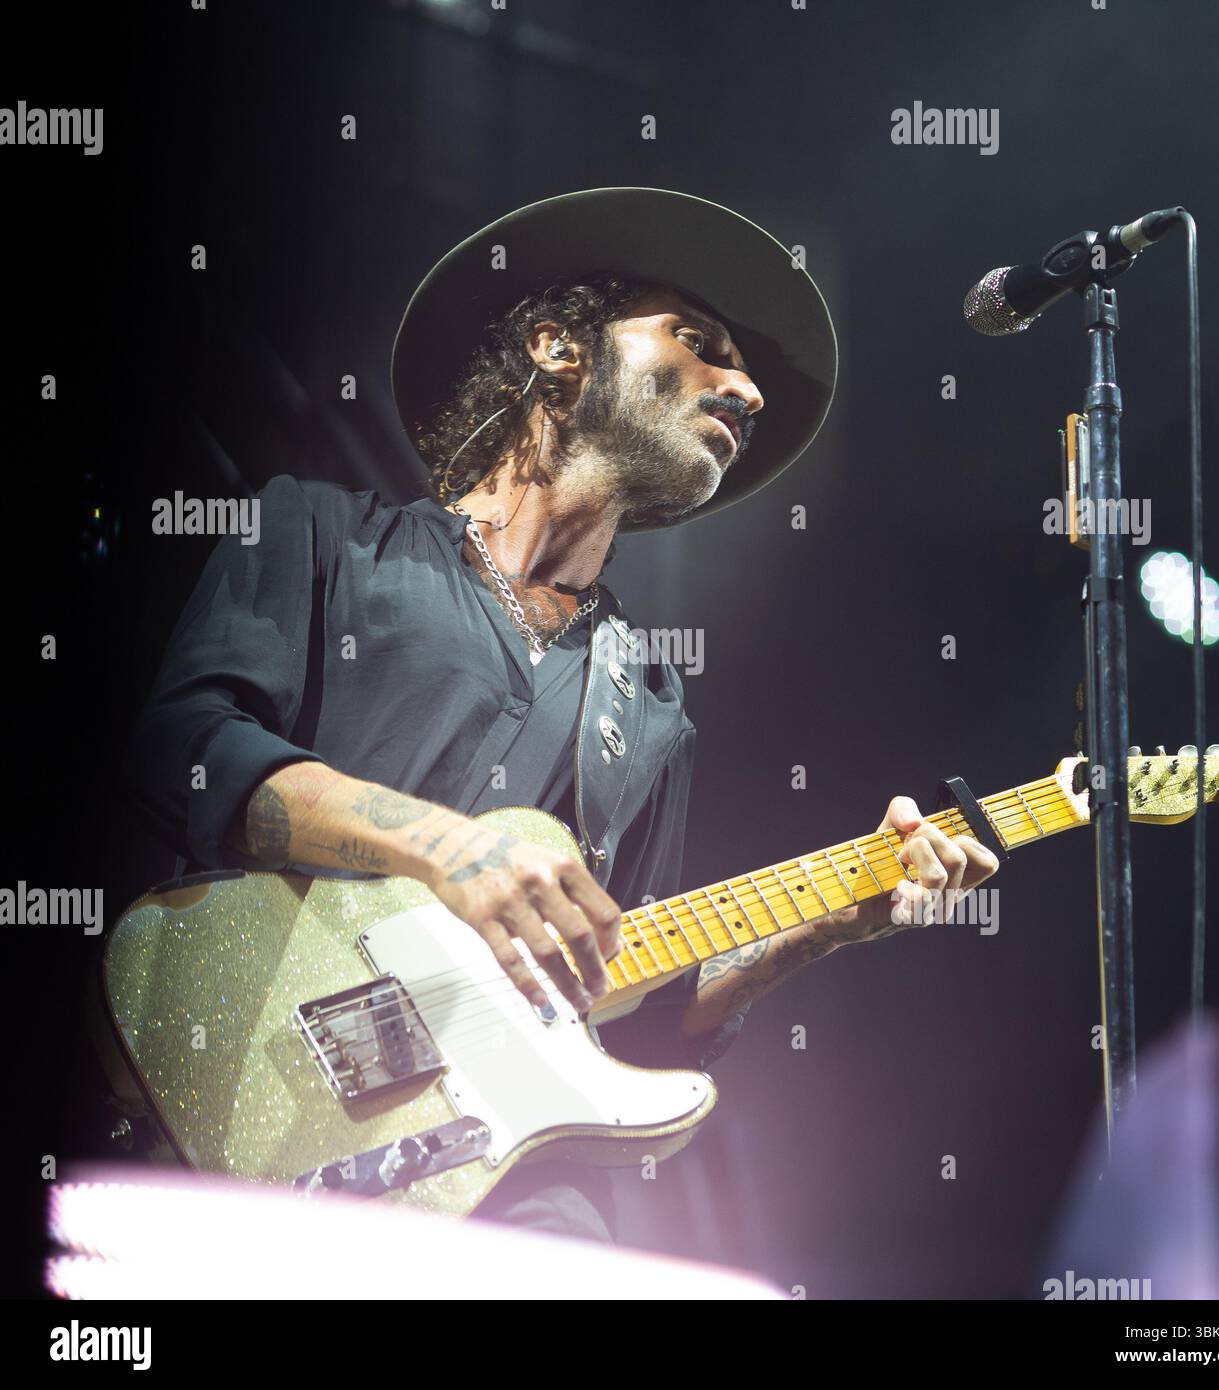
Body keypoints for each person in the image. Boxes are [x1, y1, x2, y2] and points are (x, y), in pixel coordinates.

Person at [126, 187, 1000, 1247]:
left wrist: (827, 923)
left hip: (503, 1190)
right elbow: (185, 753)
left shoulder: (652, 701)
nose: (747, 388)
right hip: (230, 1090)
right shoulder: (322, 534)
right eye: (700, 341)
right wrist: (448, 847)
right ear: (556, 349)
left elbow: (646, 1005)